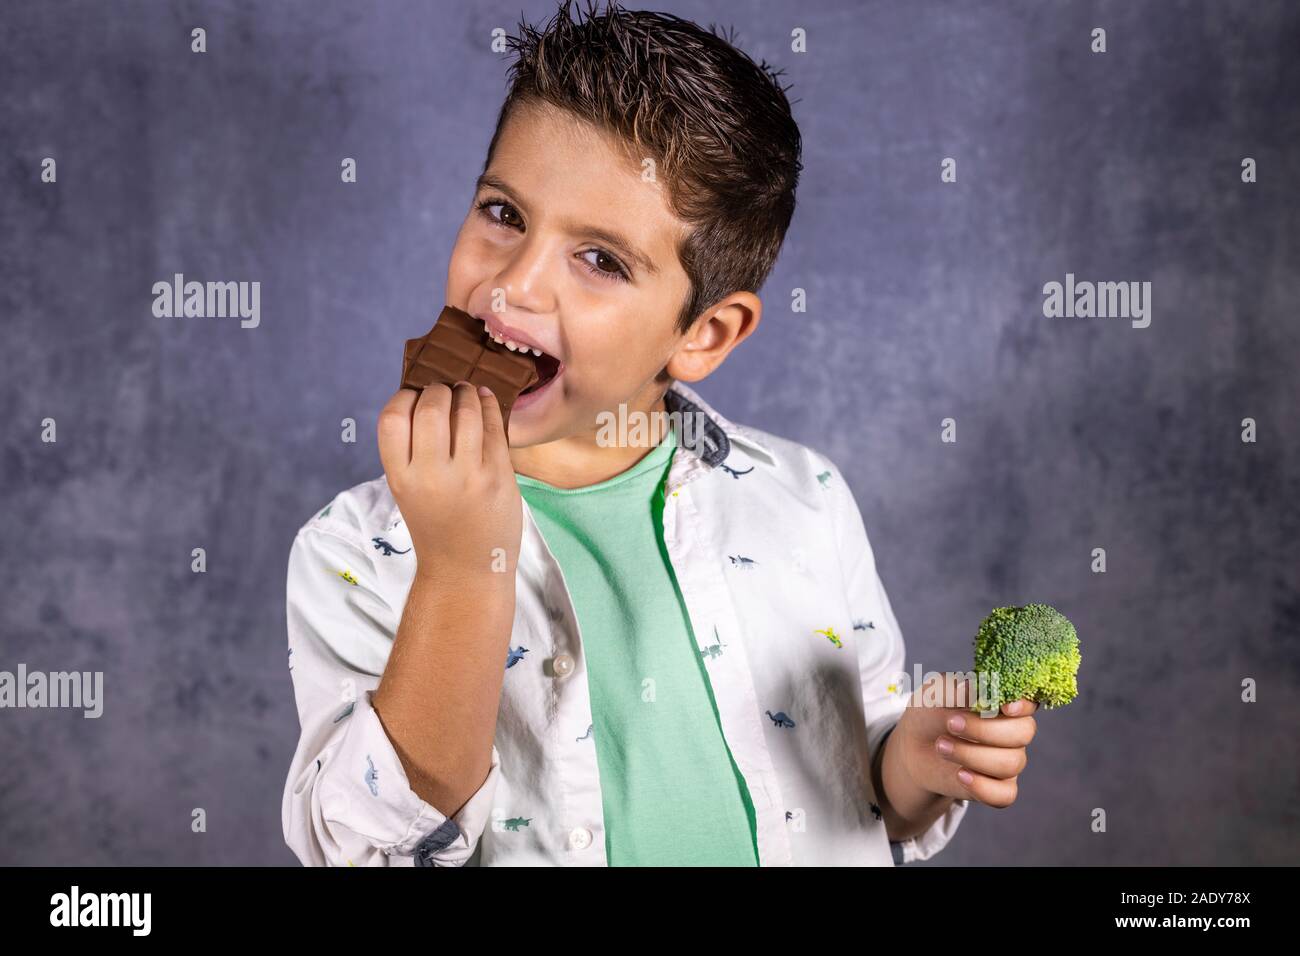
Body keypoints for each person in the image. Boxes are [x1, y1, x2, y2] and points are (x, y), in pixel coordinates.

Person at [281, 0, 1037, 866]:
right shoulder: (355, 551)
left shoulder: (806, 501)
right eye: (503, 213)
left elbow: (861, 793)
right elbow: (370, 851)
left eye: (600, 259)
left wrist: (918, 757)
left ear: (703, 334)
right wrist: (459, 569)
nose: (517, 285)